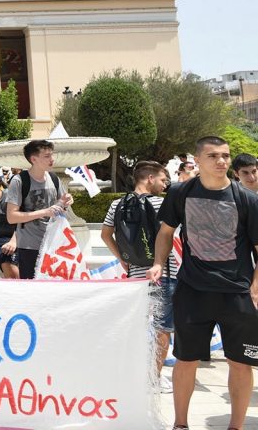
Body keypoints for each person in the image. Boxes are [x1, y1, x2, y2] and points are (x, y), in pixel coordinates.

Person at [147, 136, 258, 430]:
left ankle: (235, 426)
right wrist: (159, 262)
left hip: (237, 292)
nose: (222, 161)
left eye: (225, 155)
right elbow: (165, 233)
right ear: (198, 160)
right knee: (185, 359)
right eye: (214, 156)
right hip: (192, 290)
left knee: (240, 362)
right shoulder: (181, 193)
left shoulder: (247, 199)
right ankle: (180, 424)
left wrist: (256, 286)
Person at [99, 160, 175, 393]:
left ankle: (134, 374)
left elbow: (105, 235)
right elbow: (168, 236)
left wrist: (122, 258)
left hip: (135, 275)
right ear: (150, 178)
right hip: (163, 273)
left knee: (138, 325)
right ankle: (154, 378)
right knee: (163, 328)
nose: (165, 185)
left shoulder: (117, 203)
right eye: (163, 180)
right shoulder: (161, 203)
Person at [6, 139, 74, 279]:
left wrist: (66, 202)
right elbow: (11, 217)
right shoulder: (19, 181)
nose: (52, 159)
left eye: (52, 155)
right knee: (32, 290)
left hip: (55, 244)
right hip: (30, 246)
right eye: (47, 156)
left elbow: (60, 206)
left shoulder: (54, 179)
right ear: (33, 159)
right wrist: (45, 212)